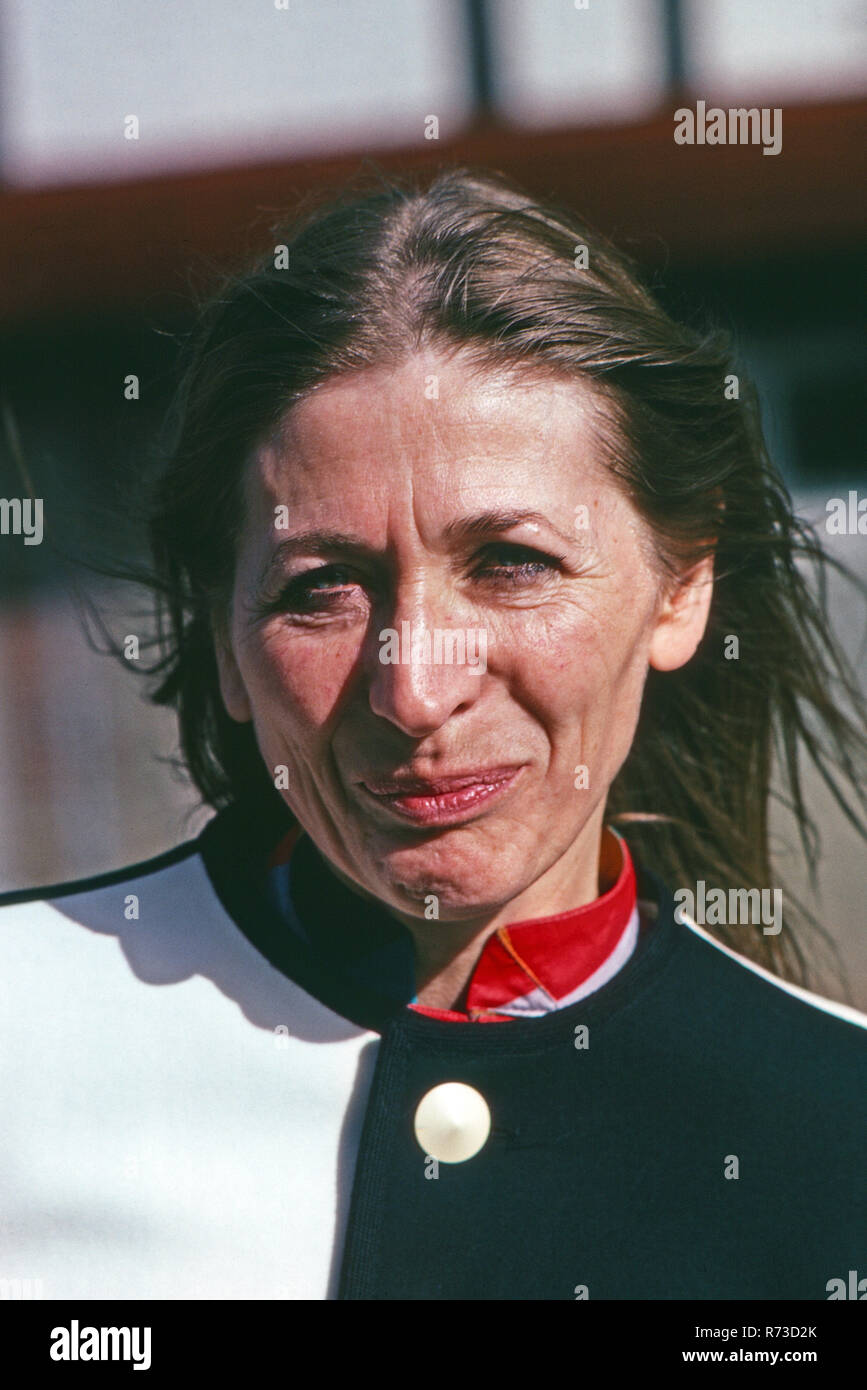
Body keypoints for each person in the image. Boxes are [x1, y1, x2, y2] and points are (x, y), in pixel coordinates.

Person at [1, 166, 865, 1302]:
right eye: (323, 588)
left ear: (679, 589)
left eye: (513, 564)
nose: (415, 692)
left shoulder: (833, 1131)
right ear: (222, 633)